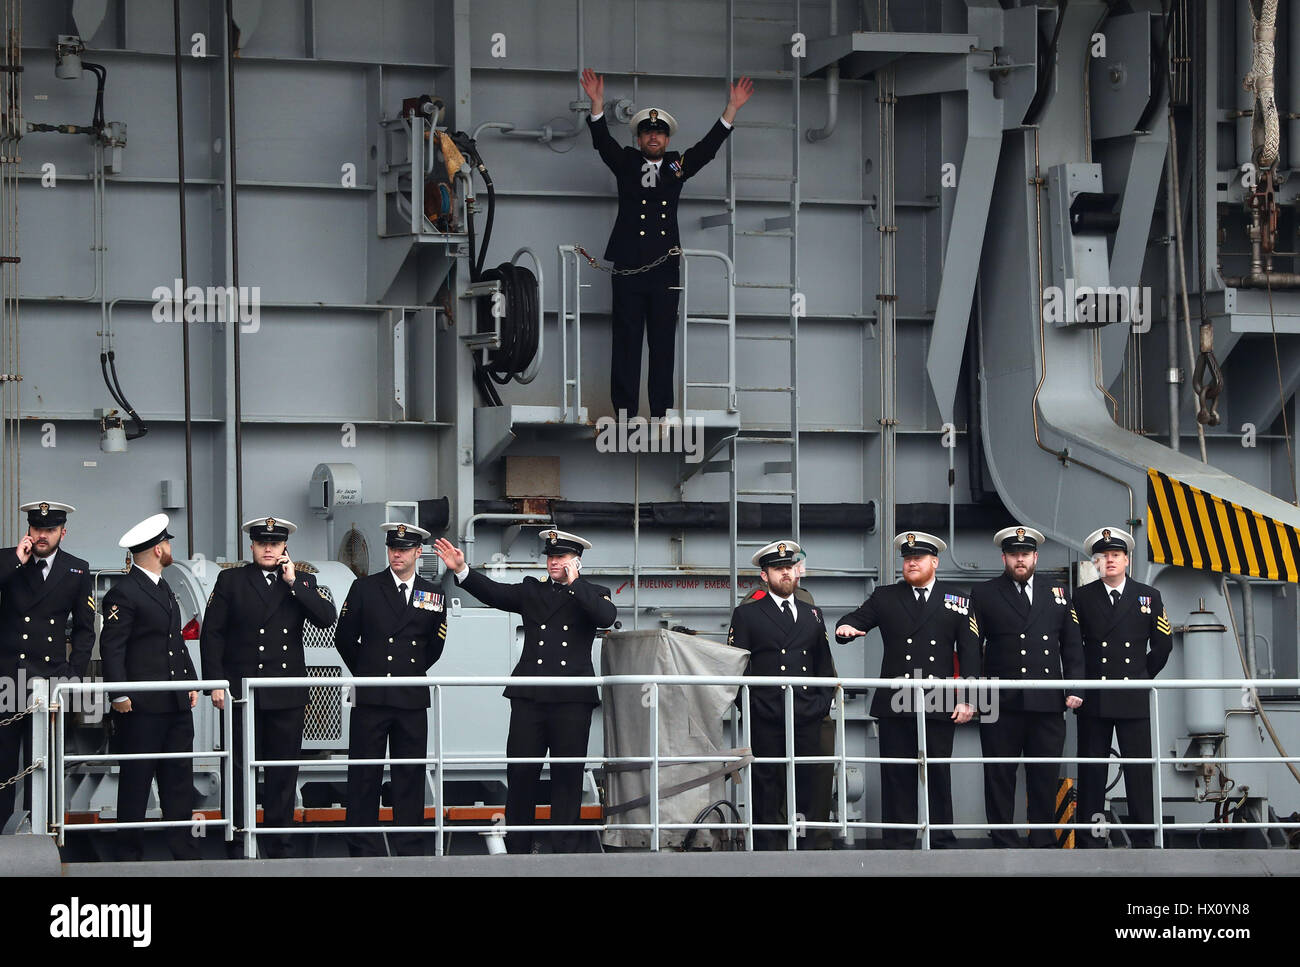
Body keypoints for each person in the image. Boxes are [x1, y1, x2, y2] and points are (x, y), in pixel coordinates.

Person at [580, 67, 753, 419]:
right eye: (647, 132)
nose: (653, 137)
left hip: (664, 270)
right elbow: (603, 144)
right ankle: (625, 411)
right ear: (639, 138)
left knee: (662, 342)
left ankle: (661, 412)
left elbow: (706, 150)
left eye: (658, 132)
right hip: (628, 267)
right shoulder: (627, 162)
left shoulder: (676, 165)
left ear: (667, 139)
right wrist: (597, 105)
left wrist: (730, 110)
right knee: (626, 341)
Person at [433, 529, 616, 854]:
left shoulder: (594, 593)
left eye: (560, 557)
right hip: (530, 698)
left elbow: (606, 617)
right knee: (521, 774)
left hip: (572, 701)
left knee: (567, 777)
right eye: (551, 556)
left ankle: (564, 849)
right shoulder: (533, 590)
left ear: (576, 561)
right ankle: (518, 845)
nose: (553, 562)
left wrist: (576, 585)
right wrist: (461, 569)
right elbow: (495, 593)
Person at [200, 516, 337, 858]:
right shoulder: (231, 580)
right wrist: (216, 684)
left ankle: (280, 841)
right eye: (262, 543)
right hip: (240, 693)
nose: (268, 548)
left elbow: (326, 618)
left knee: (283, 771)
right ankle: (236, 836)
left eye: (274, 544)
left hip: (285, 693)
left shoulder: (302, 581)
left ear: (284, 547)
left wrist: (294, 584)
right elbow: (212, 634)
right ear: (252, 546)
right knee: (237, 768)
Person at [835, 531, 980, 849]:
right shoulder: (885, 596)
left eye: (918, 558)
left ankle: (942, 839)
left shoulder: (957, 599)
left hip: (939, 699)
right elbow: (854, 619)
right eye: (907, 559)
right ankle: (898, 842)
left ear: (934, 562)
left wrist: (968, 699)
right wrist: (845, 629)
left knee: (938, 775)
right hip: (895, 701)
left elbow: (970, 652)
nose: (912, 563)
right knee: (897, 776)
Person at [335, 522, 446, 857]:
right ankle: (362, 846)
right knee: (364, 774)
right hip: (371, 695)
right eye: (392, 548)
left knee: (409, 774)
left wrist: (407, 672)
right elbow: (344, 638)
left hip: (411, 696)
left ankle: (409, 846)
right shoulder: (365, 589)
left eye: (404, 549)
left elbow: (434, 646)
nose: (397, 554)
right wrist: (369, 673)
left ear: (418, 552)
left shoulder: (433, 593)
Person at [970, 526, 1084, 847]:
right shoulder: (985, 594)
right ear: (1004, 557)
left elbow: (1072, 646)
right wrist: (974, 694)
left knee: (1044, 776)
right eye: (1013, 554)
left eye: (1025, 554)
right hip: (998, 702)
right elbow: (970, 647)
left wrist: (1076, 688)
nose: (1020, 560)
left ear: (1035, 556)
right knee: (998, 777)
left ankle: (1043, 840)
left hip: (1046, 702)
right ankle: (1003, 839)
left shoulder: (1058, 593)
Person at [99, 514, 199, 861]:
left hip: (173, 705)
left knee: (178, 783)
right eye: (167, 543)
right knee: (136, 784)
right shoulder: (124, 592)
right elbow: (112, 647)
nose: (170, 548)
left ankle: (183, 853)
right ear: (159, 549)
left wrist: (189, 682)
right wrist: (120, 694)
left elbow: (174, 642)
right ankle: (128, 856)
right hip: (142, 708)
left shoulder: (162, 586)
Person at [725, 540, 836, 850]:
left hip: (806, 713)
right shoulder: (747, 614)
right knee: (767, 783)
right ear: (765, 575)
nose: (786, 574)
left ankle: (804, 846)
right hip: (767, 713)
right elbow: (736, 668)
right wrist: (752, 705)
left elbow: (823, 664)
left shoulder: (812, 613)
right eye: (778, 569)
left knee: (806, 783)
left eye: (789, 567)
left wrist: (820, 703)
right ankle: (767, 848)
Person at [1073, 526, 1172, 848]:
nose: (1110, 561)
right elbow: (1073, 647)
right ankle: (1091, 838)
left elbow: (1162, 644)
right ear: (1096, 563)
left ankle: (1145, 838)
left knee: (1139, 770)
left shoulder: (1148, 596)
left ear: (1126, 559)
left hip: (1133, 694)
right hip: (1095, 696)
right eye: (1102, 557)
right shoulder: (1082, 598)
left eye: (1115, 555)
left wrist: (1143, 677)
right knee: (1092, 771)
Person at [0, 500, 96, 831]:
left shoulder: (77, 569)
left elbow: (86, 629)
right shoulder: (7, 561)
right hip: (7, 679)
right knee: (3, 765)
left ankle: (40, 833)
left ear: (62, 532)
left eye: (50, 530)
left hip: (51, 680)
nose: (43, 536)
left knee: (42, 764)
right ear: (28, 530)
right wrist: (15, 560)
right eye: (38, 529)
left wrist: (73, 674)